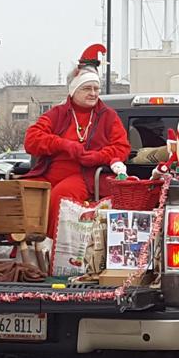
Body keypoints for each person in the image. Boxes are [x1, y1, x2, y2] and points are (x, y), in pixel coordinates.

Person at [23, 44, 131, 238]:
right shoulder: (57, 114)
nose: (93, 93)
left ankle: (53, 249)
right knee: (22, 193)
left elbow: (121, 148)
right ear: (74, 91)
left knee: (61, 197)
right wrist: (63, 144)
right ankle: (23, 248)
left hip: (86, 175)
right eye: (87, 88)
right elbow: (32, 139)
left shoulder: (108, 116)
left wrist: (97, 157)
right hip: (50, 173)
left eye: (96, 88)